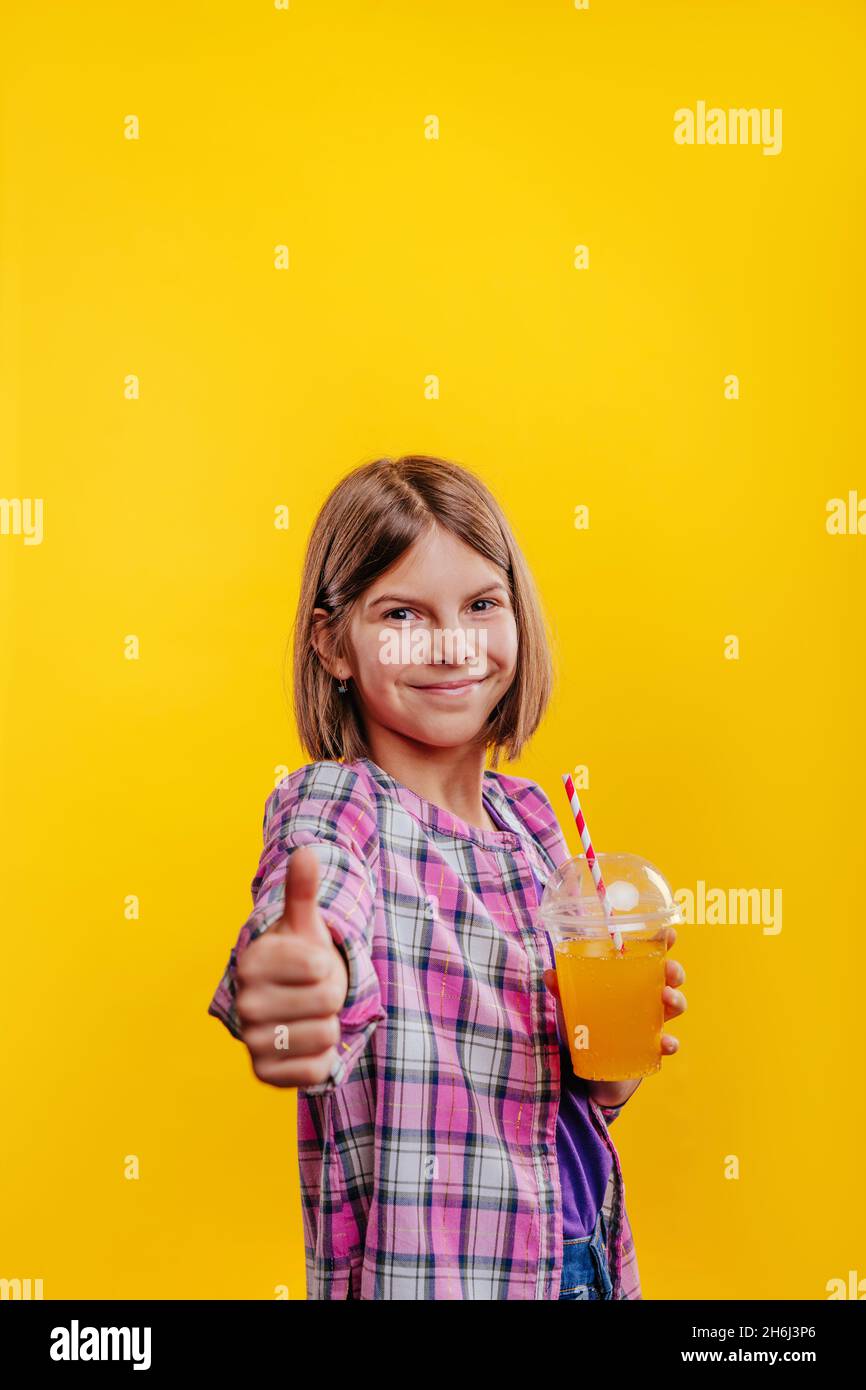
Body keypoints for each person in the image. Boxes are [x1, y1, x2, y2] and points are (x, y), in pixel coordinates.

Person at [207, 454, 687, 1300]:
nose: (452, 642)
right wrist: (299, 976)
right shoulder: (339, 805)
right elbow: (315, 913)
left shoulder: (535, 822)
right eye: (402, 613)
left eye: (480, 605)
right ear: (333, 644)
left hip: (587, 1263)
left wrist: (611, 1067)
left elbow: (556, 1106)